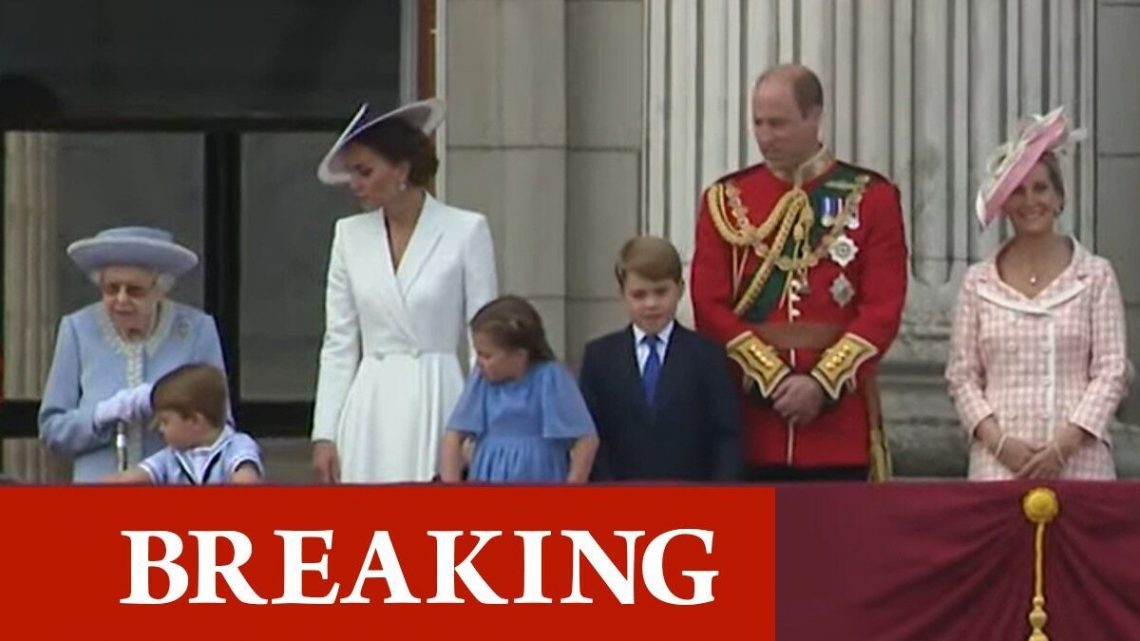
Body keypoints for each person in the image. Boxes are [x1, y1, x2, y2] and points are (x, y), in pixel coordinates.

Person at [690, 64, 908, 482]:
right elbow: (709, 303)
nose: (765, 136)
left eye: (779, 123)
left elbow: (882, 307)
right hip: (753, 419)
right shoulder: (726, 199)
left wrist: (821, 384)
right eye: (758, 122)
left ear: (815, 116)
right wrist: (771, 378)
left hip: (837, 422)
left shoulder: (871, 197)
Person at [311, 98, 498, 483]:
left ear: (402, 169)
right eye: (352, 173)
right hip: (370, 402)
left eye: (365, 171)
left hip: (437, 394)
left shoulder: (466, 230)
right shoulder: (349, 235)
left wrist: (478, 422)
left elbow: (486, 337)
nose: (356, 184)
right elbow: (340, 340)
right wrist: (325, 433)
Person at [946, 106, 1129, 481]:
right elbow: (962, 375)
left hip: (1081, 464)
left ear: (1060, 198)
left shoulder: (1095, 275)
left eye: (1041, 188)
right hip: (998, 466)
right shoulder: (977, 283)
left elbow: (1111, 371)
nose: (1031, 201)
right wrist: (999, 443)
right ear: (1004, 205)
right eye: (1018, 191)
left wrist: (1064, 445)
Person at [39, 226, 230, 483]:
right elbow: (52, 431)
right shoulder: (77, 329)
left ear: (160, 288)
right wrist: (99, 416)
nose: (121, 299)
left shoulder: (196, 331)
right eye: (111, 289)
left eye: (135, 290)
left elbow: (220, 430)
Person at [579, 235, 742, 481]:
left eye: (661, 292)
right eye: (639, 295)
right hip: (621, 505)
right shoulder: (599, 358)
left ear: (680, 289)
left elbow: (726, 436)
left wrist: (720, 497)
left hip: (693, 503)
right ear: (622, 294)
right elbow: (592, 435)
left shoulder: (707, 355)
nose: (651, 304)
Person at [438, 296, 598, 483]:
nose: (479, 362)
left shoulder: (550, 378)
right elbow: (453, 436)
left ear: (519, 355)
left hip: (540, 475)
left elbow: (586, 440)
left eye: (486, 355)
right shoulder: (481, 380)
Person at [103, 363, 262, 485]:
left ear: (195, 421)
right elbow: (134, 477)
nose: (160, 429)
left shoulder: (236, 446)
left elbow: (246, 479)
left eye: (165, 421)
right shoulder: (171, 457)